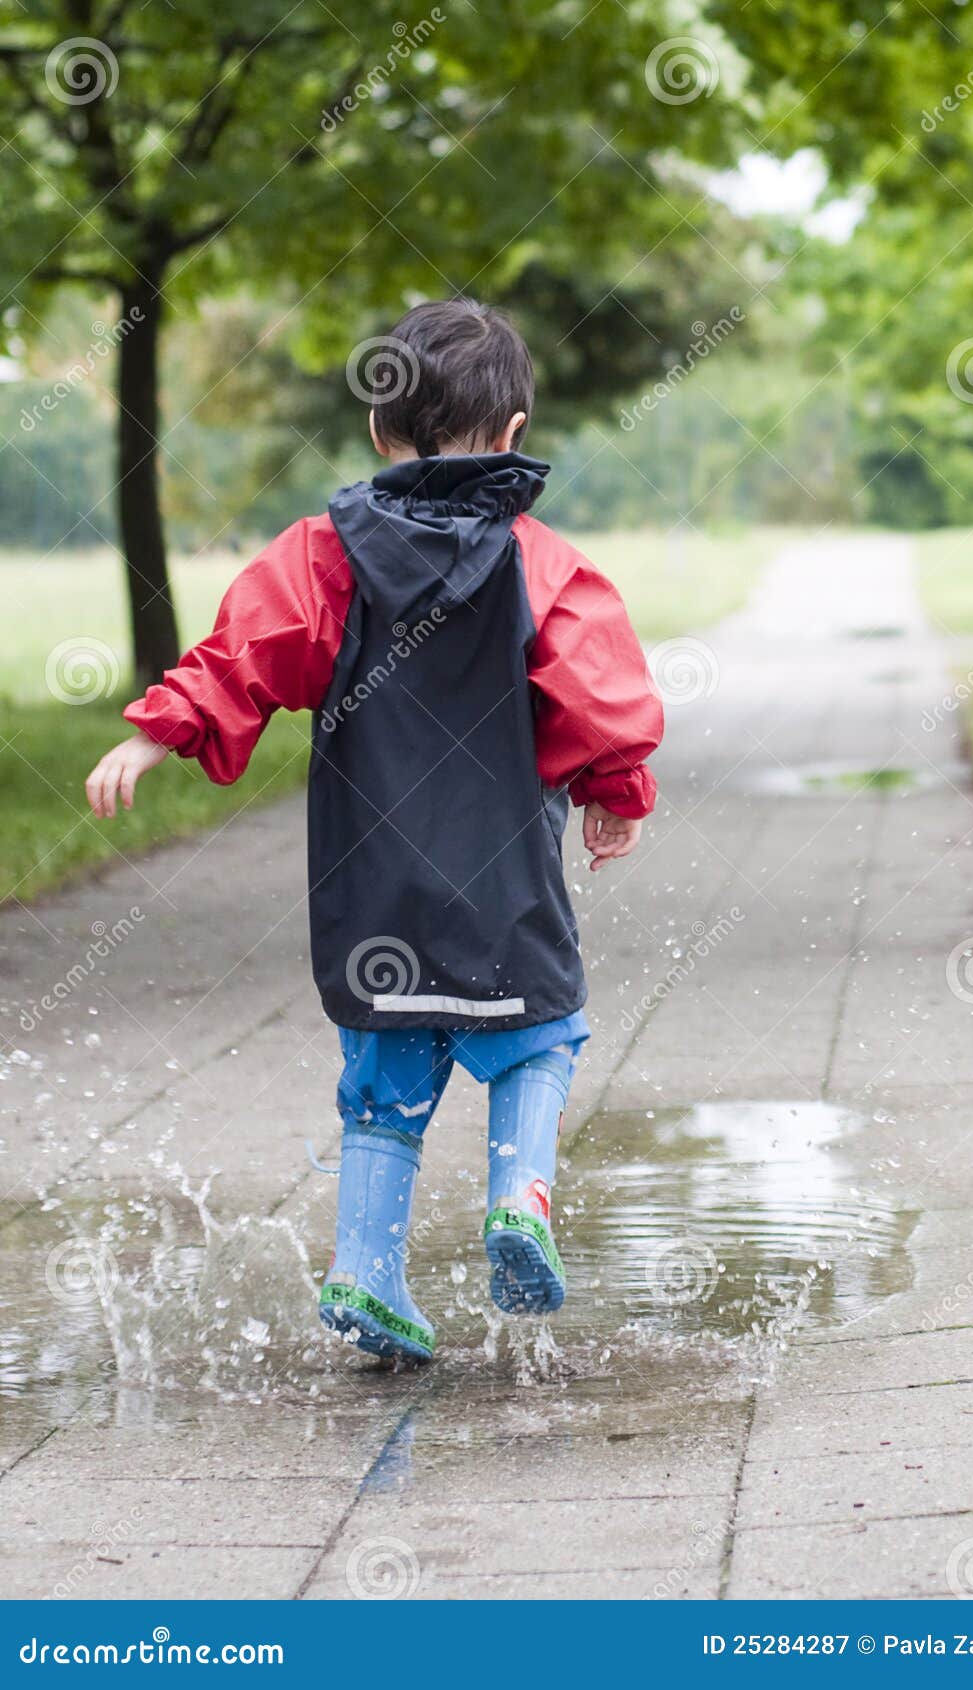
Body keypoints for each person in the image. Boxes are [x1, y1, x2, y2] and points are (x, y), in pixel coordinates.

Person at [86, 297, 663, 1363]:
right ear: (515, 430)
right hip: (505, 884)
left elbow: (245, 652)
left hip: (372, 886)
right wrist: (616, 788)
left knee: (384, 1079)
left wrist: (154, 736)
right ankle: (518, 1197)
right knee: (540, 1029)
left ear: (376, 430)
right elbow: (596, 685)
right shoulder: (541, 563)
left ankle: (365, 1270)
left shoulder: (323, 556)